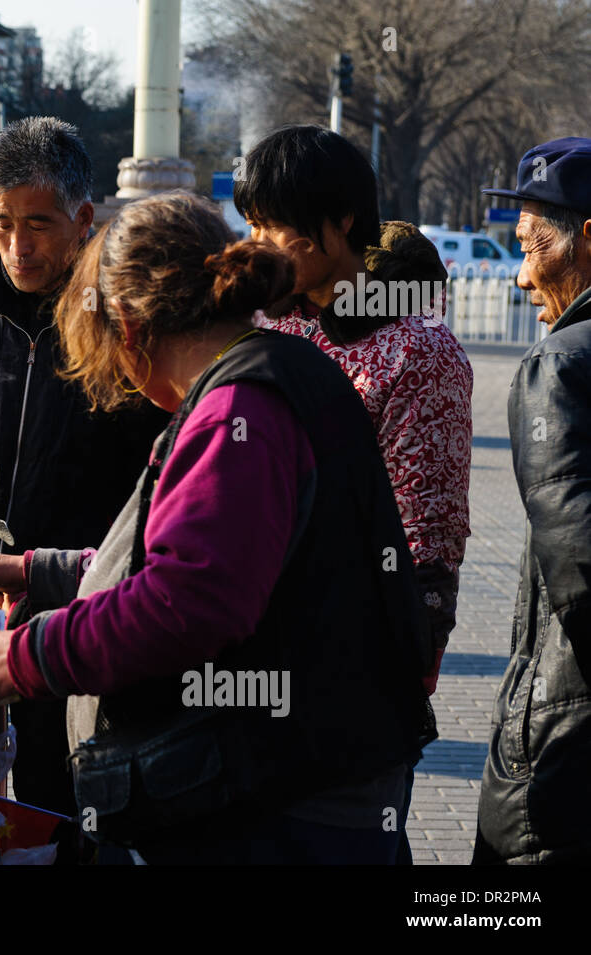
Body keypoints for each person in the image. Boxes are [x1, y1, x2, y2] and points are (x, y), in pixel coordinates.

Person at [0, 192, 434, 864]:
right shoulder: (277, 371)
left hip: (289, 808)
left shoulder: (239, 411)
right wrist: (30, 570)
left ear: (129, 328)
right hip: (304, 784)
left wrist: (26, 656)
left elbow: (189, 600)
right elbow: (190, 559)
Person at [235, 125, 472, 861]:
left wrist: (401, 680)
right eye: (252, 223)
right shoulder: (271, 325)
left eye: (276, 225)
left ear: (341, 223)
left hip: (353, 684)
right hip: (248, 661)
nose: (259, 243)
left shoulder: (418, 350)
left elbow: (427, 542)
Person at [0, 117, 170, 818]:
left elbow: (152, 475)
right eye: (1, 222)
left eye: (37, 223)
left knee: (67, 796)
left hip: (89, 603)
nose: (17, 244)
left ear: (84, 218)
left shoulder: (122, 318)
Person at [473, 137, 591, 864]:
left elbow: (580, 569)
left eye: (532, 246)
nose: (520, 278)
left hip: (564, 746)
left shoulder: (561, 366)